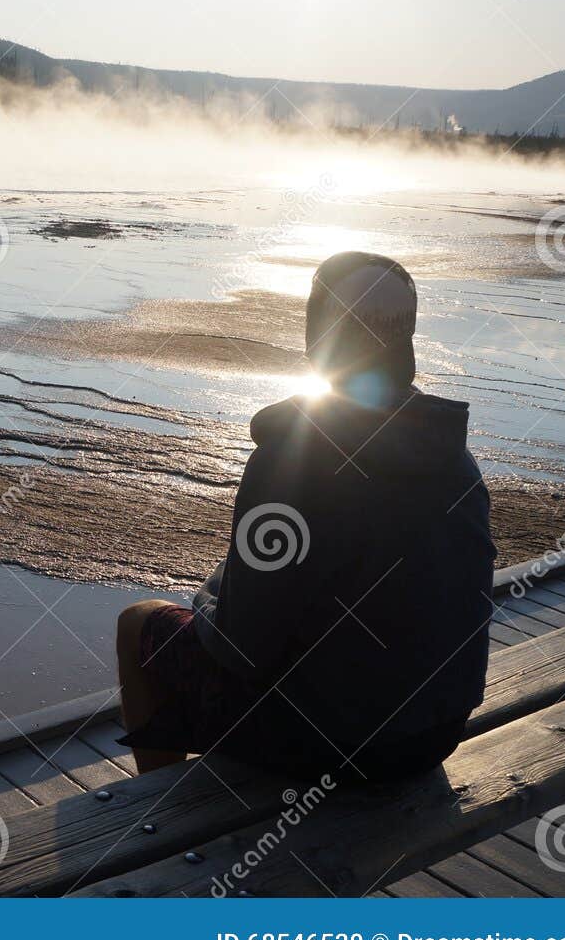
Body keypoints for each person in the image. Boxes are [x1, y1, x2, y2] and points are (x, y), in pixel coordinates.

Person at [116, 251, 495, 780]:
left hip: (332, 748)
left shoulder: (288, 461)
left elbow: (241, 648)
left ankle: (157, 803)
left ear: (317, 338)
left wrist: (208, 598)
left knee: (140, 623)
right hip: (432, 736)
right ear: (406, 337)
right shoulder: (454, 457)